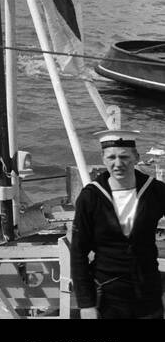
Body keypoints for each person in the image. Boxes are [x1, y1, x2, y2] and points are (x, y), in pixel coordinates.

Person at [70, 129, 165, 319]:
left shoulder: (155, 191)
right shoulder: (91, 197)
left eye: (124, 157)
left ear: (136, 157)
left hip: (148, 291)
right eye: (111, 157)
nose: (118, 164)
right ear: (103, 159)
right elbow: (79, 251)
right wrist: (86, 304)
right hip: (109, 295)